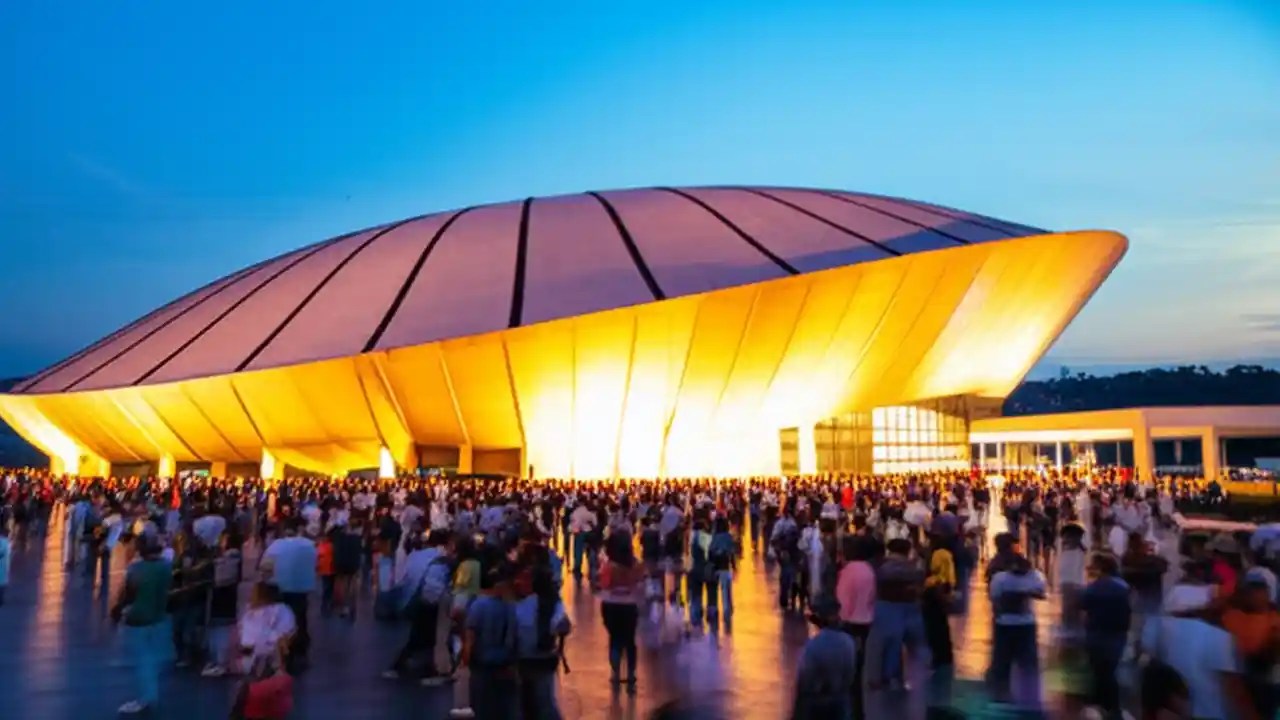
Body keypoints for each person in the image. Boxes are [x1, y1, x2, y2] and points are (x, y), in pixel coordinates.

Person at [111, 532, 173, 715]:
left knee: (143, 660)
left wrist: (117, 610)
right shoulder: (166, 567)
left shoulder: (136, 569)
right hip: (159, 617)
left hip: (139, 618)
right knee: (153, 659)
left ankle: (146, 699)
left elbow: (128, 594)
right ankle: (151, 694)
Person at [515, 549, 572, 719]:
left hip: (523, 659)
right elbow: (562, 626)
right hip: (546, 659)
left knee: (525, 705)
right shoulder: (554, 603)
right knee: (546, 702)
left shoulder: (521, 605)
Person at [462, 558, 519, 720]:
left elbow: (470, 637)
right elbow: (514, 637)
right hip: (504, 664)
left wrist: (465, 659)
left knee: (481, 707)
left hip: (482, 665)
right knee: (502, 708)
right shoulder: (511, 606)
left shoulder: (477, 606)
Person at [986, 553, 1046, 705]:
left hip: (1011, 624)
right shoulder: (1032, 577)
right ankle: (1022, 694)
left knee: (1005, 660)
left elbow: (994, 599)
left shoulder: (1001, 579)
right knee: (1019, 661)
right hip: (1017, 624)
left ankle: (1006, 693)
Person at [1221, 572, 1280, 719]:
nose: (1255, 595)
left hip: (1268, 681)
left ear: (1267, 593)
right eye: (1250, 591)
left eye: (1259, 590)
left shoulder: (1275, 619)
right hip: (1237, 683)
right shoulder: (1230, 617)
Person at [261, 518, 317, 670]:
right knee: (301, 618)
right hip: (303, 588)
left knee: (283, 620)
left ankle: (285, 651)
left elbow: (265, 566)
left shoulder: (277, 545)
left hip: (282, 587)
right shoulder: (309, 545)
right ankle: (301, 649)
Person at [791, 593, 857, 720]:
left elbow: (805, 680)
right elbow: (850, 675)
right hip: (840, 700)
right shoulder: (848, 642)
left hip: (816, 702)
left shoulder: (813, 646)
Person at [1080, 553, 1130, 718]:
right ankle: (1113, 708)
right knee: (1110, 671)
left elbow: (1082, 605)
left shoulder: (1094, 587)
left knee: (1098, 671)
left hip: (1096, 635)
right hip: (1116, 636)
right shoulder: (1123, 587)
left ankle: (1100, 706)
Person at [599, 530, 644, 689]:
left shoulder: (609, 566)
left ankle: (616, 672)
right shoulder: (637, 565)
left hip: (611, 605)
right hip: (630, 606)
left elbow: (603, 585)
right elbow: (640, 585)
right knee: (630, 641)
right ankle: (631, 674)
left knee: (615, 639)